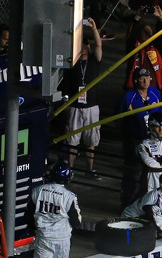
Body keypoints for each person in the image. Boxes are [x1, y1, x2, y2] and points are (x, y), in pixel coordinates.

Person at [61, 18, 103, 179]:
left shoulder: (94, 60)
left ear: (89, 46)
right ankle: (70, 170)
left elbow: (99, 45)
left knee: (91, 141)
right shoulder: (72, 62)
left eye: (86, 46)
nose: (84, 49)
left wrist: (94, 29)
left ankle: (89, 169)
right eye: (80, 46)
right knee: (72, 140)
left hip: (92, 106)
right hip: (74, 106)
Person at [118, 67, 162, 209]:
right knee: (132, 173)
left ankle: (147, 204)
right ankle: (127, 204)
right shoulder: (128, 97)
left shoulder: (155, 93)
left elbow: (160, 115)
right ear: (136, 80)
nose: (145, 80)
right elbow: (119, 118)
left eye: (147, 77)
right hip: (135, 141)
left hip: (152, 141)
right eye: (141, 77)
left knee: (149, 174)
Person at [26, 162, 82, 258]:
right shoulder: (69, 196)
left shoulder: (38, 190)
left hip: (43, 236)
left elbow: (28, 215)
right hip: (62, 238)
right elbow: (76, 222)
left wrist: (35, 228)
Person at [125, 22, 162, 91]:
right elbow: (131, 37)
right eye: (146, 32)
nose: (148, 35)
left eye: (150, 33)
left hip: (153, 86)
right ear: (139, 32)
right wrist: (136, 19)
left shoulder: (155, 47)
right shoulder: (133, 46)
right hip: (135, 87)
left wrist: (160, 20)